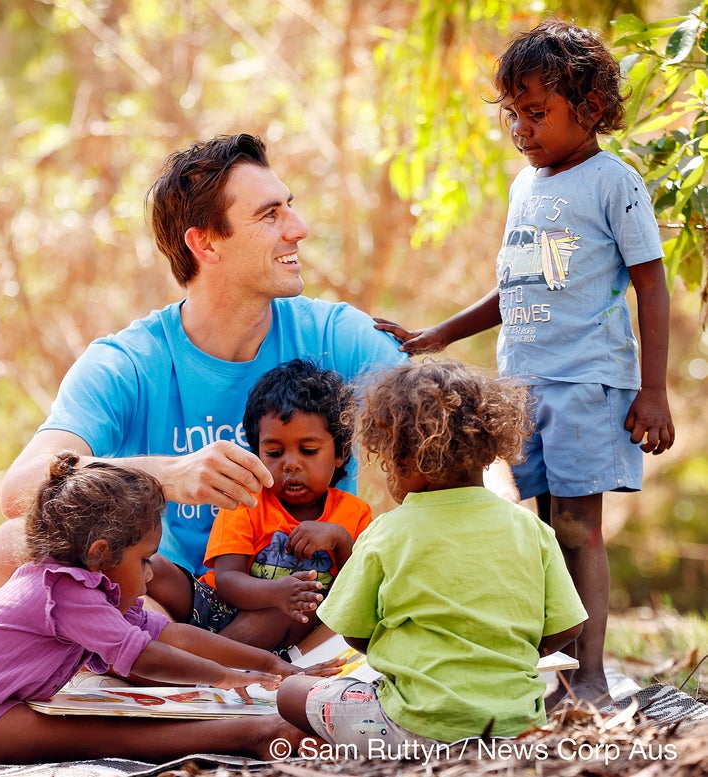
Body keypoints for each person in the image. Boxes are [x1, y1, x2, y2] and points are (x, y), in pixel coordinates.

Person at [373, 20, 675, 707]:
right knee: (535, 530)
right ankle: (549, 674)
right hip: (522, 387)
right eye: (513, 113)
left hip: (587, 381)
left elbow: (652, 285)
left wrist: (653, 390)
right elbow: (516, 289)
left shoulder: (615, 182)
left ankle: (589, 676)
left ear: (590, 108)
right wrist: (440, 334)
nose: (520, 129)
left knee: (578, 526)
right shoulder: (525, 188)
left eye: (536, 113)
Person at [0, 133, 407, 592]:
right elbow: (20, 488)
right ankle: (159, 638)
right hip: (174, 600)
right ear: (205, 244)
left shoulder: (335, 334)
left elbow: (442, 416)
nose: (298, 228)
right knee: (11, 547)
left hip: (316, 600)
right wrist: (167, 474)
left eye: (289, 207)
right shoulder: (127, 363)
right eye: (270, 214)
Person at [0, 452, 321, 765]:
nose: (150, 575)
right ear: (100, 553)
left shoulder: (90, 587)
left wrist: (272, 666)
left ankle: (253, 731)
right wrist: (226, 677)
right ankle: (253, 734)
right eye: (144, 560)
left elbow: (174, 634)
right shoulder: (65, 591)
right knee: (110, 736)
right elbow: (146, 656)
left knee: (112, 727)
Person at [276, 359, 588, 746]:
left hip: (409, 725)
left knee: (290, 693)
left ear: (407, 463)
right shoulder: (532, 529)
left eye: (389, 462)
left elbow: (354, 631)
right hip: (515, 724)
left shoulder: (387, 532)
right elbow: (568, 627)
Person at [147, 359, 372, 654]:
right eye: (274, 452)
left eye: (308, 450)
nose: (290, 464)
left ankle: (197, 660)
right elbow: (227, 581)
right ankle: (187, 648)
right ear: (257, 454)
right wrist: (276, 592)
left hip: (282, 624)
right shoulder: (245, 500)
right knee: (153, 566)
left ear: (340, 452)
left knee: (291, 609)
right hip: (217, 608)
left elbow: (358, 593)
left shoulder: (355, 513)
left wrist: (340, 540)